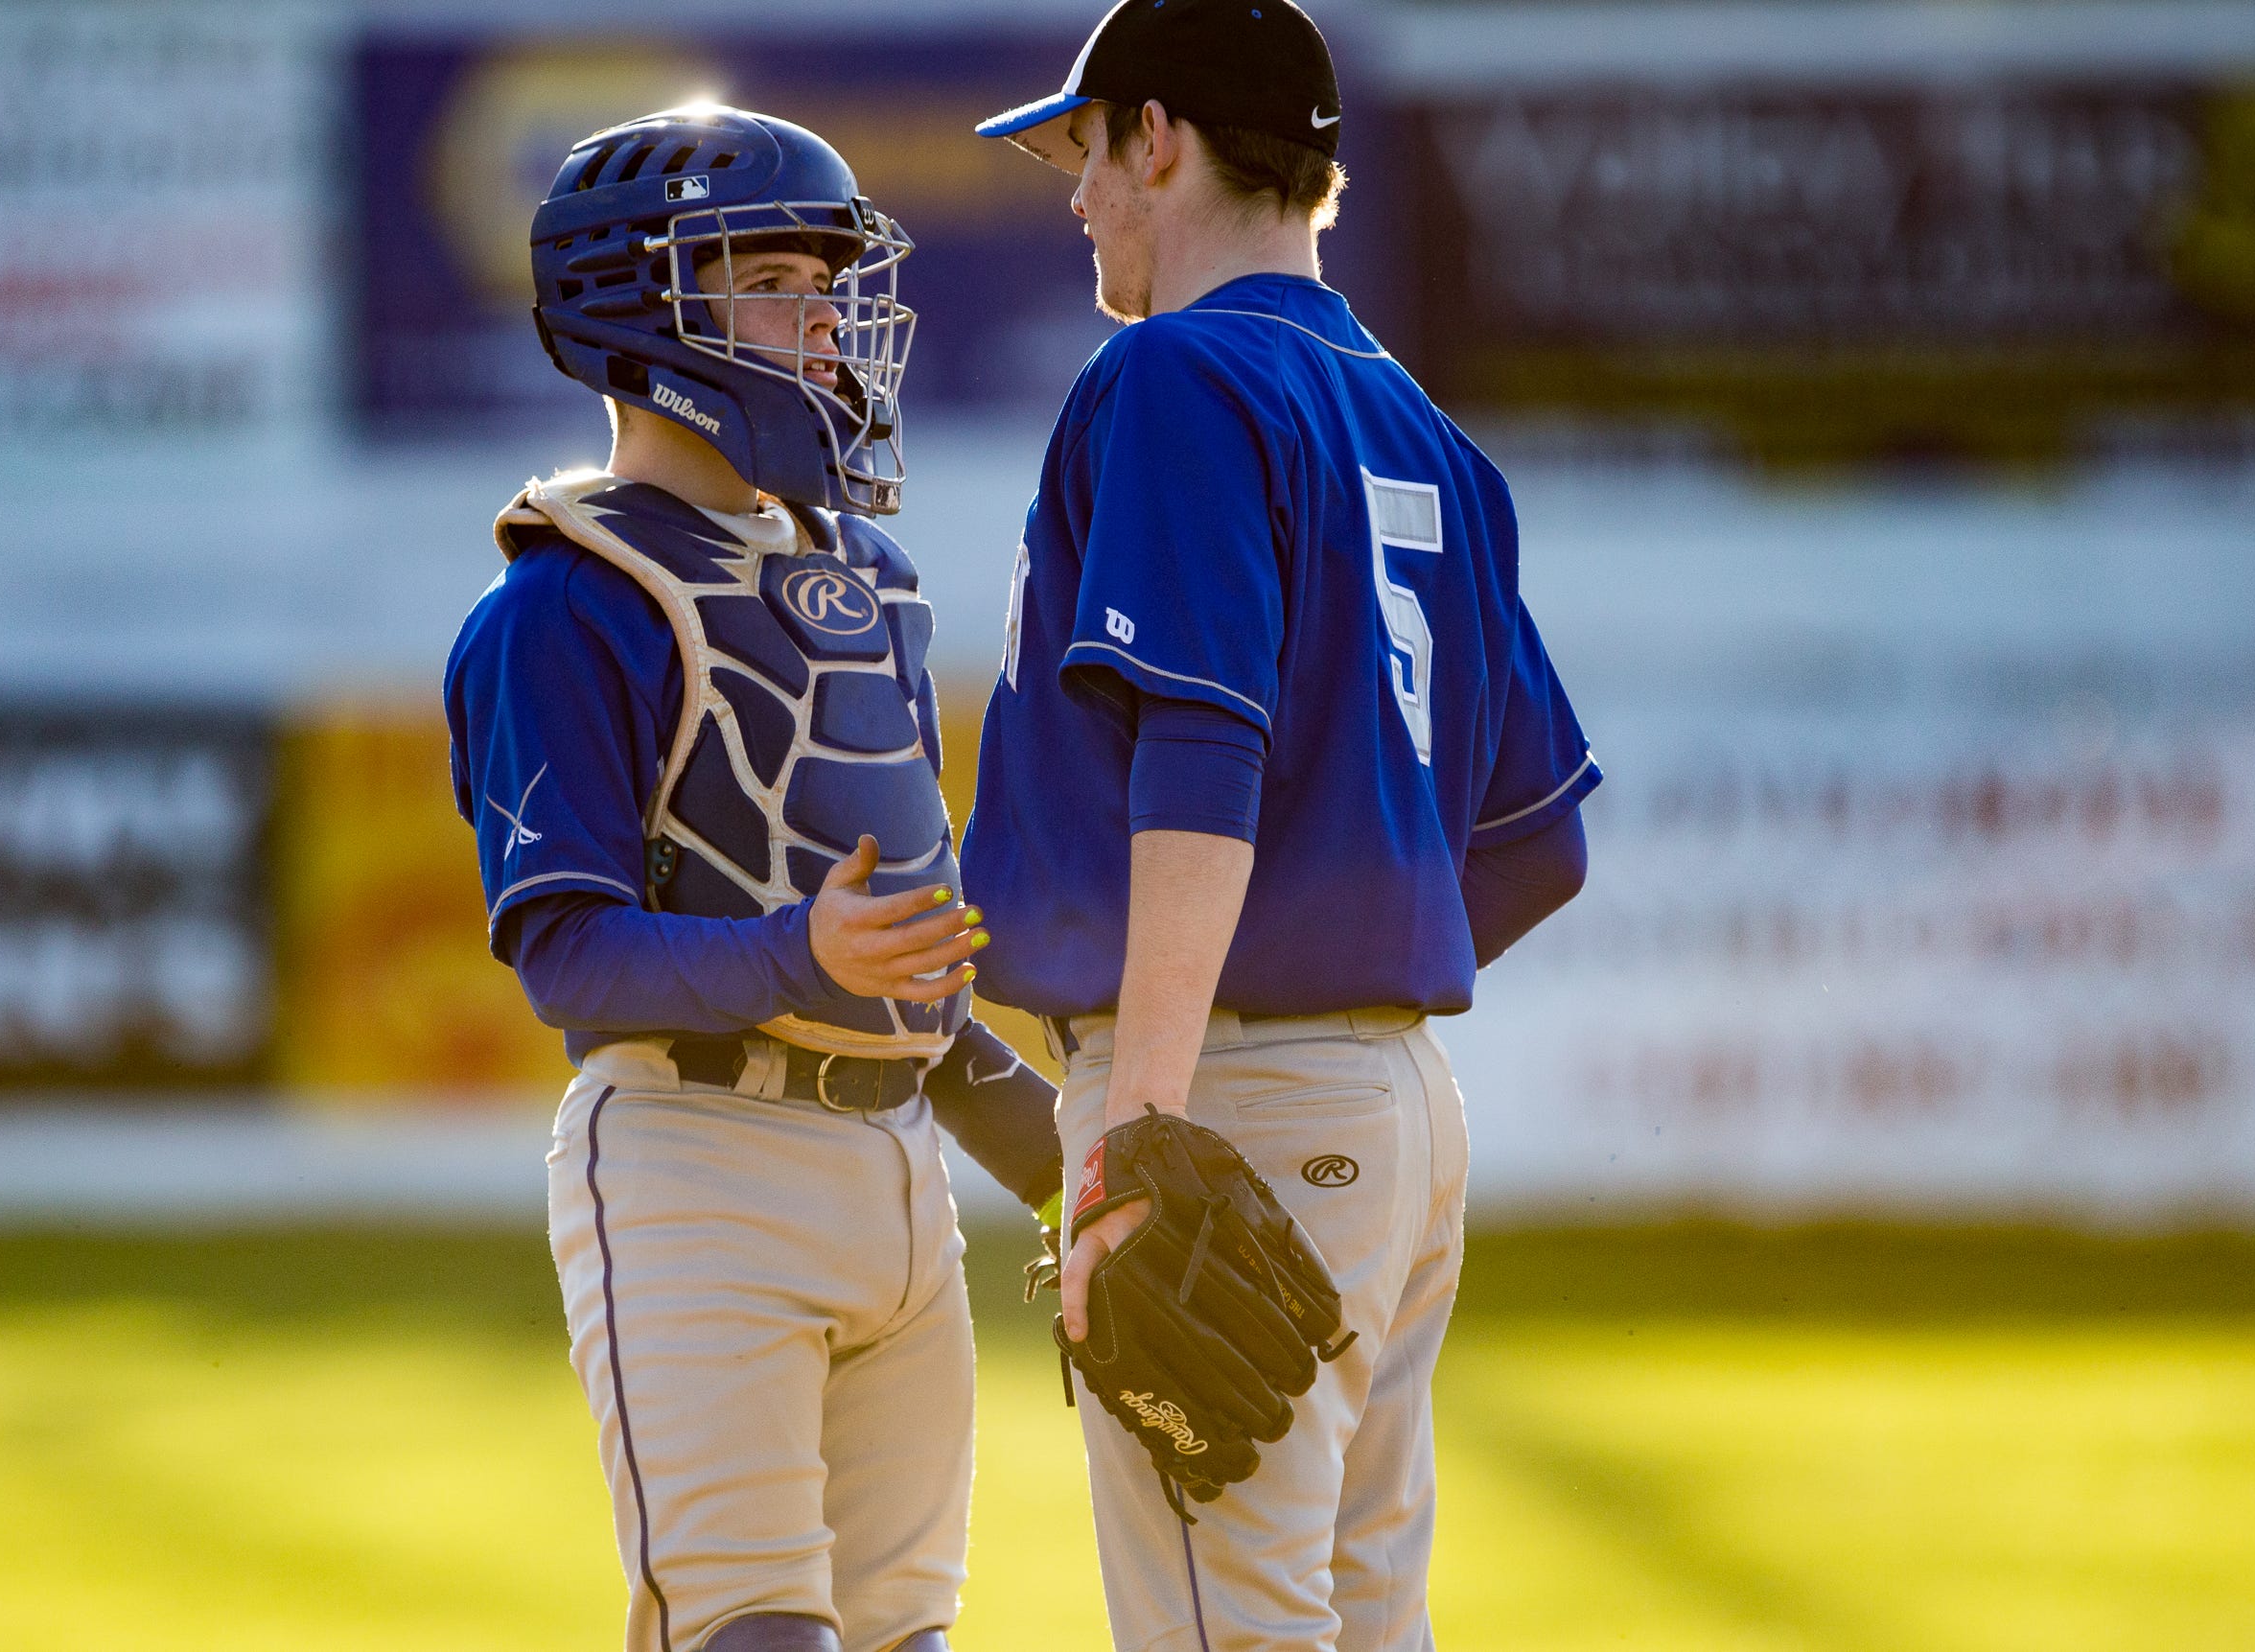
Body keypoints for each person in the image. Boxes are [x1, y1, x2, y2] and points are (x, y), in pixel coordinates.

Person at [965, 3, 1599, 1646]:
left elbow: (1199, 754)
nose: (1075, 195)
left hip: (1222, 1095)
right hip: (1394, 1116)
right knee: (1361, 1619)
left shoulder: (1174, 372)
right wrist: (1360, 971)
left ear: (1157, 137)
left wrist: (1146, 1142)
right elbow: (1540, 841)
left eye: (1084, 150)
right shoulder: (1427, 433)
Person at [445, 106, 1063, 1652]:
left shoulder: (865, 582)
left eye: (827, 280)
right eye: (775, 277)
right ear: (643, 312)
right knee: (754, 1635)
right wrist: (802, 953)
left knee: (905, 1640)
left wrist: (1073, 1171)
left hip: (900, 1179)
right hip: (692, 1165)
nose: (827, 320)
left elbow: (899, 972)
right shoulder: (566, 609)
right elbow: (568, 963)